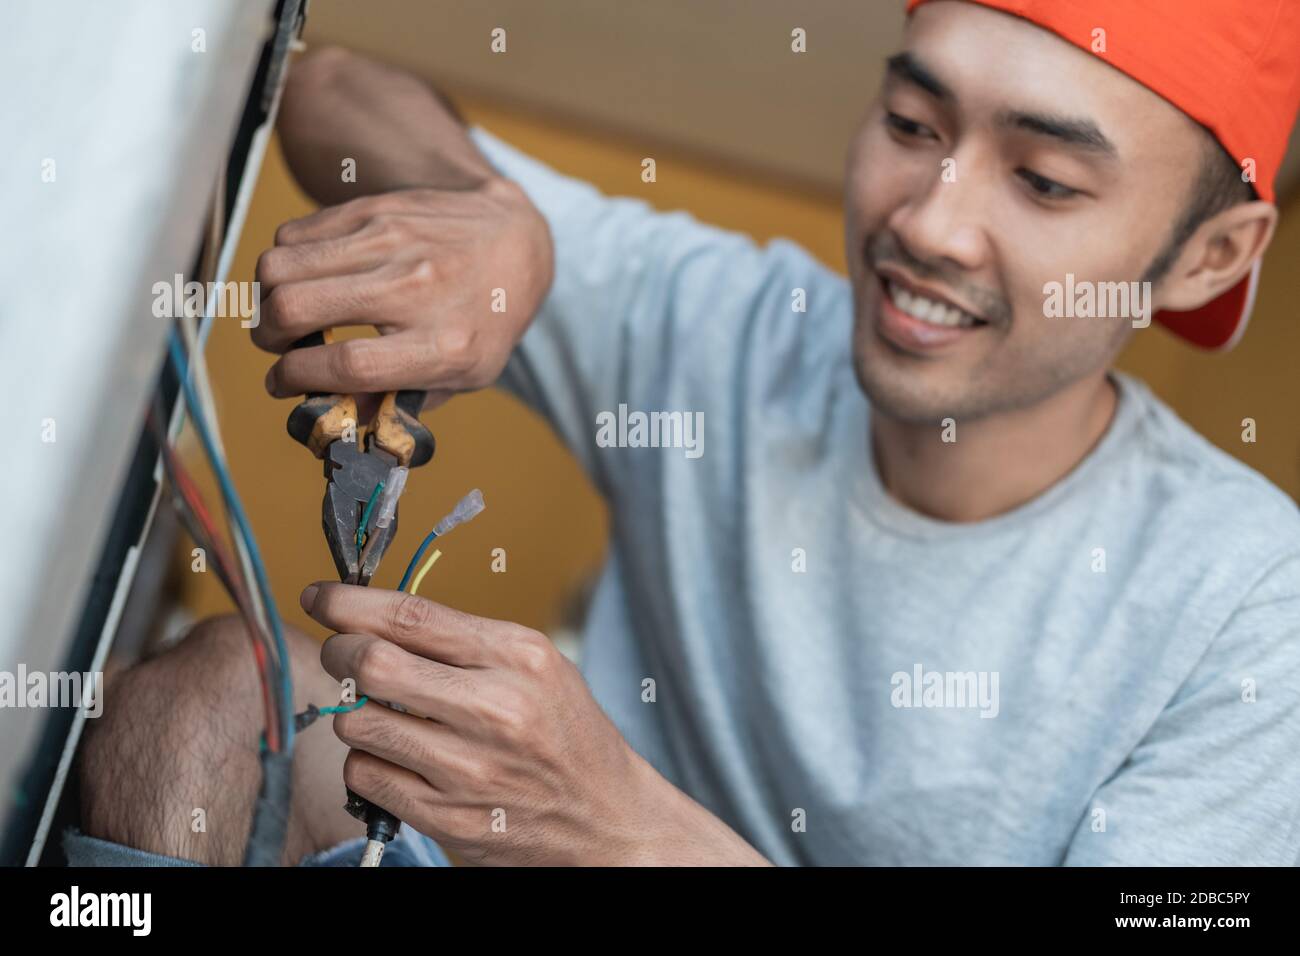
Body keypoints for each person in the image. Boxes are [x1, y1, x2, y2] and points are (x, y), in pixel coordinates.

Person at [72, 0, 1300, 866]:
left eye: (1043, 181)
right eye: (912, 124)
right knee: (210, 696)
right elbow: (326, 90)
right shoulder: (735, 330)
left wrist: (623, 832)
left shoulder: (1249, 609)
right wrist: (493, 213)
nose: (929, 223)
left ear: (1208, 256)